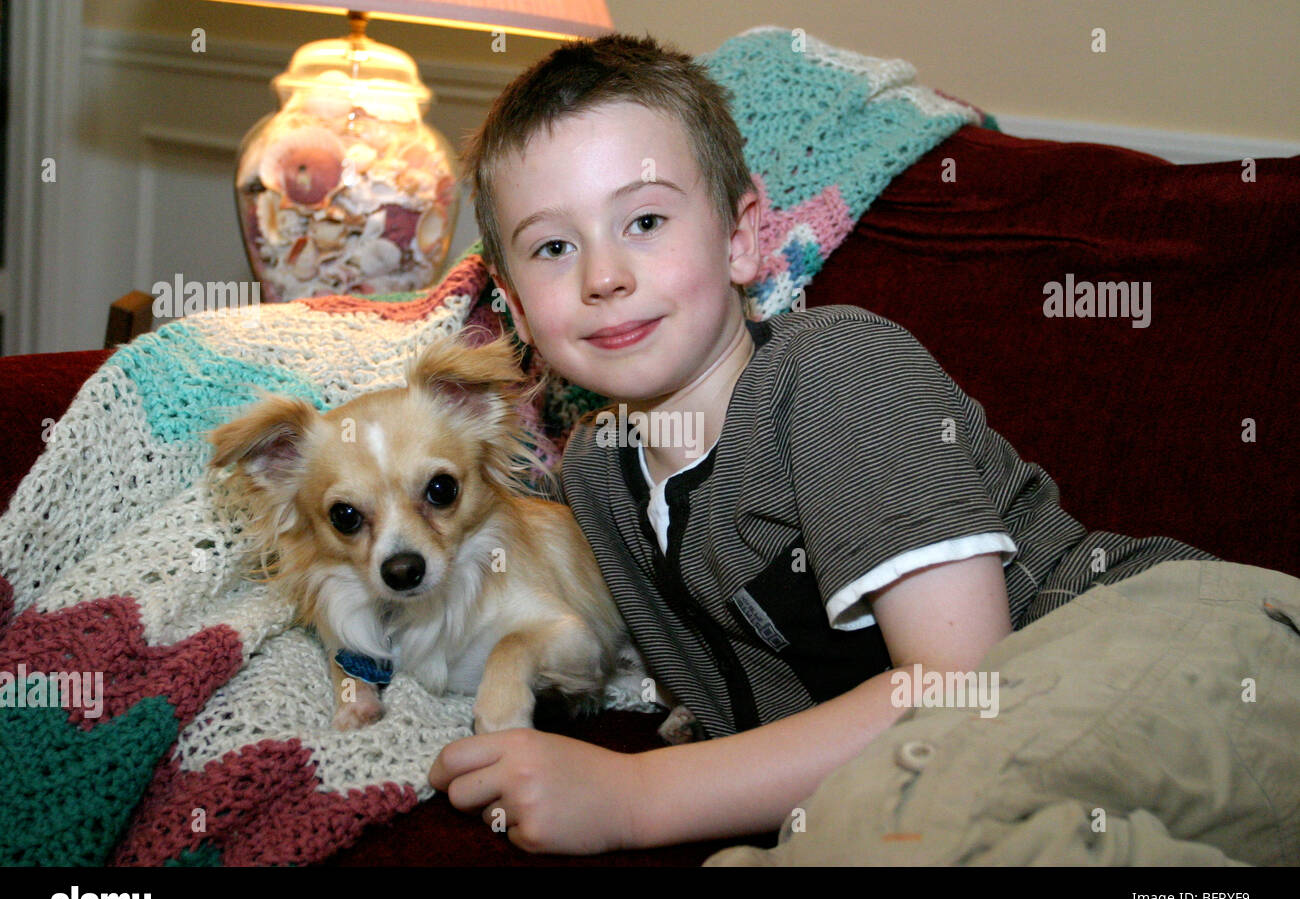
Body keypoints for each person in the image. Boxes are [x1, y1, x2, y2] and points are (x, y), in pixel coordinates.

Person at [426, 32, 1222, 857]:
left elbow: (961, 686)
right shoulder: (593, 474)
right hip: (949, 787)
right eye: (555, 247)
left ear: (741, 238)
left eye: (646, 220)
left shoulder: (836, 367)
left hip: (1162, 657)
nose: (603, 275)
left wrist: (636, 797)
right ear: (517, 310)